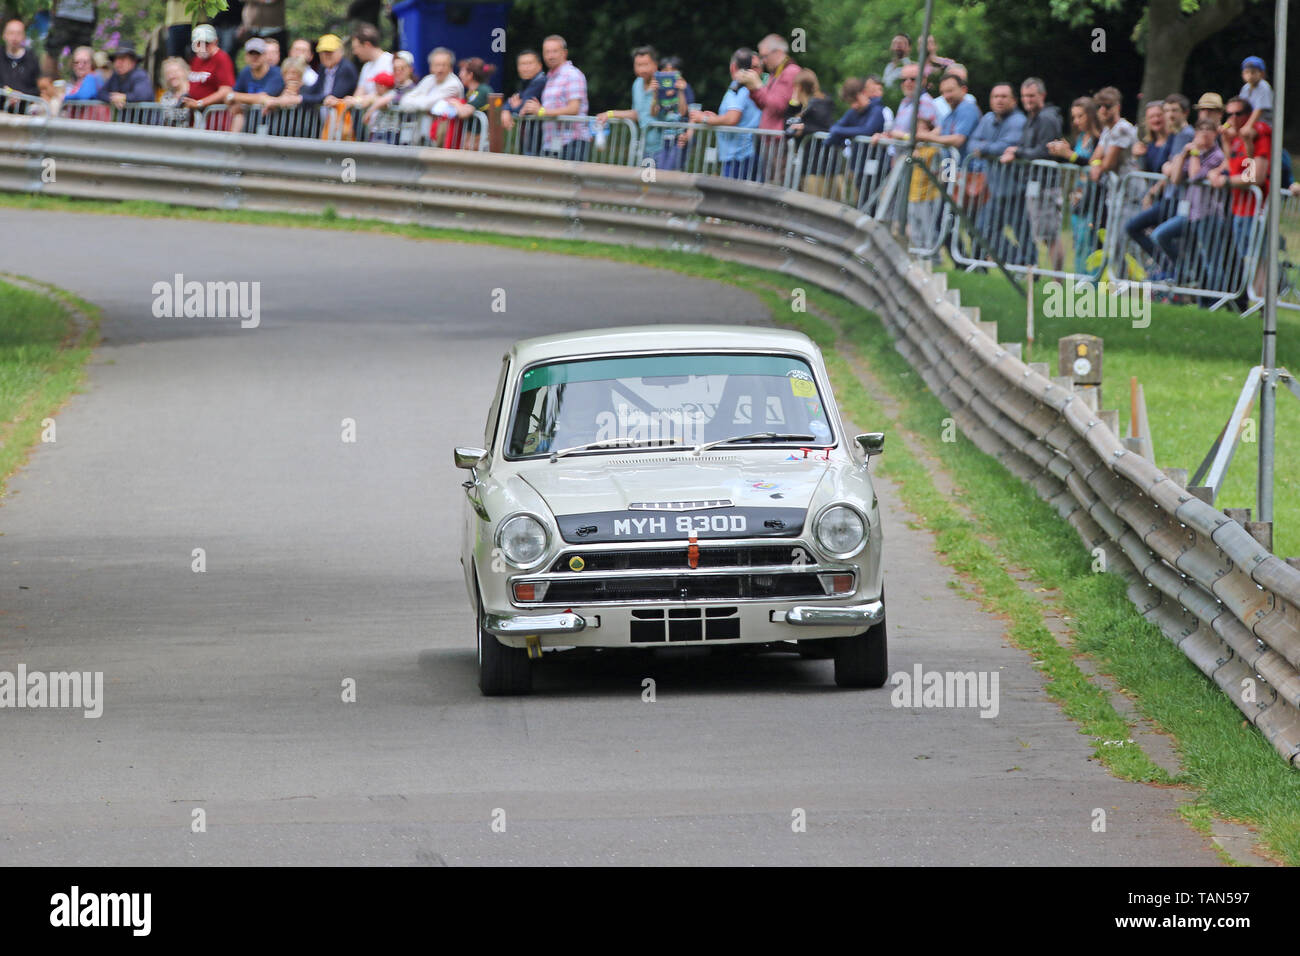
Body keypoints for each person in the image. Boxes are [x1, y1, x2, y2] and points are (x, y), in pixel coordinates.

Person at [1148, 118, 1226, 287]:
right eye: (1201, 129)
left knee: (1210, 259)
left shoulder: (1217, 156)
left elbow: (1195, 175)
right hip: (1189, 213)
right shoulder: (1193, 154)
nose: (1204, 133)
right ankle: (1186, 273)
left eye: (1209, 129)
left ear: (1215, 134)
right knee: (1160, 235)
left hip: (1208, 214)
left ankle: (1211, 299)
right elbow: (1175, 179)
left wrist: (1195, 154)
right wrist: (1183, 154)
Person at [1208, 96, 1270, 296]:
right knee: (1246, 257)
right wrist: (1216, 171)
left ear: (1248, 115)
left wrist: (1225, 182)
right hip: (1239, 207)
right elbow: (1234, 164)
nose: (1233, 118)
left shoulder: (1258, 133)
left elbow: (1255, 176)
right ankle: (1253, 300)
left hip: (1256, 208)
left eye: (1238, 114)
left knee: (1258, 258)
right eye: (1230, 114)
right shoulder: (1235, 138)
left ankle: (1262, 304)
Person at [1000, 77, 1063, 268]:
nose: (1027, 99)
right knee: (1044, 235)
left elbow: (1046, 151)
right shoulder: (1032, 118)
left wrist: (1017, 153)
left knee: (1050, 236)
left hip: (1046, 185)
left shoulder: (1046, 118)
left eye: (1032, 96)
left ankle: (1057, 280)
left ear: (1042, 96)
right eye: (1024, 96)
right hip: (1035, 184)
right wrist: (1017, 149)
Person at [966, 82, 1025, 263]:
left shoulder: (1018, 121)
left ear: (1014, 100)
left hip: (1016, 189)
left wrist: (984, 149)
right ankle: (1017, 261)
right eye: (995, 97)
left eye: (1003, 96)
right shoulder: (988, 119)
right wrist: (986, 148)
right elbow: (972, 143)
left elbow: (1007, 145)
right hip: (995, 189)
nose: (999, 100)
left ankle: (1029, 268)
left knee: (1023, 233)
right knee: (982, 229)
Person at [1047, 96, 1102, 274]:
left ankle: (1090, 283)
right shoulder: (1080, 138)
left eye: (1081, 116)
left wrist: (1068, 154)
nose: (1077, 121)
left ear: (1091, 116)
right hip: (1077, 196)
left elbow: (1091, 163)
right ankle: (1079, 281)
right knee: (1077, 242)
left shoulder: (1098, 139)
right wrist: (1060, 152)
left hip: (1093, 197)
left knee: (1088, 243)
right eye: (1074, 117)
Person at [689, 48, 762, 181]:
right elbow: (735, 117)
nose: (754, 72)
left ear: (733, 67)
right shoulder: (749, 88)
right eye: (752, 67)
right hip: (742, 155)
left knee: (733, 199)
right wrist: (716, 118)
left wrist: (704, 118)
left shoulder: (741, 87)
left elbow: (733, 118)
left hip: (740, 157)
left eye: (757, 68)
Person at [523, 35, 588, 162]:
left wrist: (541, 111)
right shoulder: (550, 77)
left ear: (564, 53)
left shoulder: (572, 74)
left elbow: (574, 109)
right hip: (551, 142)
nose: (550, 56)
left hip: (572, 141)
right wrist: (529, 108)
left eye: (554, 51)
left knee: (568, 182)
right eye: (547, 52)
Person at [598, 46, 660, 159]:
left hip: (664, 146)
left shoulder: (664, 83)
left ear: (655, 65)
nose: (642, 69)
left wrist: (656, 94)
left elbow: (658, 112)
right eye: (639, 65)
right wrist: (610, 114)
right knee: (647, 177)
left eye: (646, 64)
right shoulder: (637, 83)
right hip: (645, 146)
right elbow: (637, 114)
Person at [786, 69, 835, 195]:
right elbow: (788, 126)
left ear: (799, 87)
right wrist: (793, 102)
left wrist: (805, 129)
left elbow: (828, 129)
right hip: (810, 164)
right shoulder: (805, 106)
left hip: (819, 167)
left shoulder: (820, 105)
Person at [737, 33, 799, 132]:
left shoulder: (791, 72)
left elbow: (778, 106)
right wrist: (752, 88)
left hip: (779, 140)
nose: (763, 62)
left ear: (778, 52)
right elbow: (764, 106)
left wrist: (758, 86)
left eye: (764, 56)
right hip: (769, 140)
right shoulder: (775, 73)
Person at [647, 54, 694, 171]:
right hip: (665, 138)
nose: (669, 74)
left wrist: (680, 91)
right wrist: (654, 93)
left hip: (680, 137)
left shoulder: (685, 88)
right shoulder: (660, 90)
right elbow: (653, 112)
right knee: (661, 170)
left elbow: (683, 112)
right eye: (665, 70)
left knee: (671, 170)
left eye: (673, 71)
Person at [919, 71, 980, 160]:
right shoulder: (950, 115)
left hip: (969, 171)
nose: (946, 96)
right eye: (943, 92)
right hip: (954, 170)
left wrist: (926, 136)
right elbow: (937, 131)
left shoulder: (967, 109)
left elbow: (957, 140)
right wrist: (921, 135)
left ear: (963, 90)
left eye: (950, 91)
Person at [228, 37, 283, 132]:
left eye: (258, 54)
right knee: (238, 115)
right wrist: (236, 102)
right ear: (246, 56)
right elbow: (228, 98)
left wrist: (234, 96)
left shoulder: (277, 73)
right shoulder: (245, 72)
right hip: (249, 125)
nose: (254, 58)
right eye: (251, 54)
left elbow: (262, 98)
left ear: (265, 55)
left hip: (274, 126)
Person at [907, 114, 944, 259]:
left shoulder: (934, 149)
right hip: (913, 195)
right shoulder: (913, 147)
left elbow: (938, 170)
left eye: (922, 128)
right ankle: (920, 259)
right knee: (915, 232)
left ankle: (934, 260)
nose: (918, 131)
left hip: (928, 195)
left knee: (929, 231)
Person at [186, 23, 236, 118]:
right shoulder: (196, 60)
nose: (202, 47)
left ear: (215, 42)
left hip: (215, 118)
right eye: (198, 43)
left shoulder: (222, 58)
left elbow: (226, 90)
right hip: (197, 119)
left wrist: (200, 103)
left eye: (206, 43)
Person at [41, 0, 97, 78]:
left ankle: (80, 85)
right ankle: (48, 82)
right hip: (78, 14)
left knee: (53, 52)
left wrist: (54, 8)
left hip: (75, 14)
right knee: (53, 52)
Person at [300, 33, 357, 106]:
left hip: (343, 115)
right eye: (322, 52)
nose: (325, 55)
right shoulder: (323, 68)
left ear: (340, 51)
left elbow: (334, 96)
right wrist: (297, 91)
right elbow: (314, 89)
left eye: (330, 52)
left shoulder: (346, 68)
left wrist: (301, 98)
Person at [401, 46, 461, 112]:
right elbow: (404, 100)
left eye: (444, 65)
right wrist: (423, 100)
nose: (440, 69)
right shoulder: (428, 79)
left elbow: (425, 105)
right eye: (437, 65)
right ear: (430, 67)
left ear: (451, 68)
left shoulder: (453, 85)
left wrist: (419, 98)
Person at [347, 22, 392, 104]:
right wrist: (343, 101)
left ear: (367, 45)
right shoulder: (366, 67)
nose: (355, 52)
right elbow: (359, 94)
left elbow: (388, 92)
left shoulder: (390, 61)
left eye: (356, 48)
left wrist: (359, 100)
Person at [1, 19, 40, 97]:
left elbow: (37, 87)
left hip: (24, 105)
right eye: (11, 33)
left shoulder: (31, 58)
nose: (14, 37)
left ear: (24, 36)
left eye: (18, 33)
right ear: (4, 35)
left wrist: (21, 95)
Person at [1237, 55, 1272, 140]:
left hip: (1264, 124)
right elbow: (1239, 108)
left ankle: (1250, 154)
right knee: (1228, 132)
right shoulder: (1245, 88)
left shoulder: (1264, 87)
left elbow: (1258, 110)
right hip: (1248, 121)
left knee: (1247, 134)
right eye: (1247, 72)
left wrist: (1248, 126)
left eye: (1253, 72)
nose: (1250, 75)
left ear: (1261, 73)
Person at [157, 55, 192, 126]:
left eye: (175, 72)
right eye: (168, 73)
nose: (172, 76)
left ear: (184, 71)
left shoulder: (193, 92)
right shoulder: (166, 96)